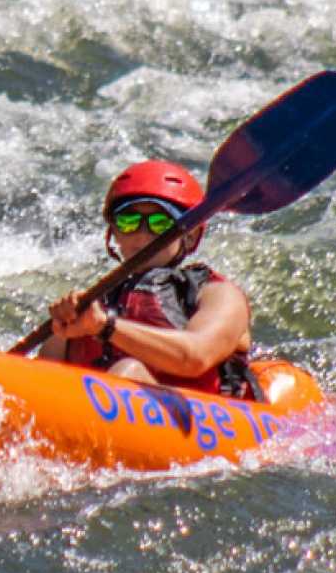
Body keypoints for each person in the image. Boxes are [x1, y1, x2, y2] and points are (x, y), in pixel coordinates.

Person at [38, 160, 259, 399]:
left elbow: (194, 357)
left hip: (199, 423)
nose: (142, 235)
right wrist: (63, 329)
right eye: (128, 222)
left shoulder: (217, 294)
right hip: (96, 421)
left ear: (191, 235)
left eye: (159, 223)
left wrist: (105, 326)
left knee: (127, 371)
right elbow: (42, 380)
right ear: (113, 234)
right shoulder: (94, 305)